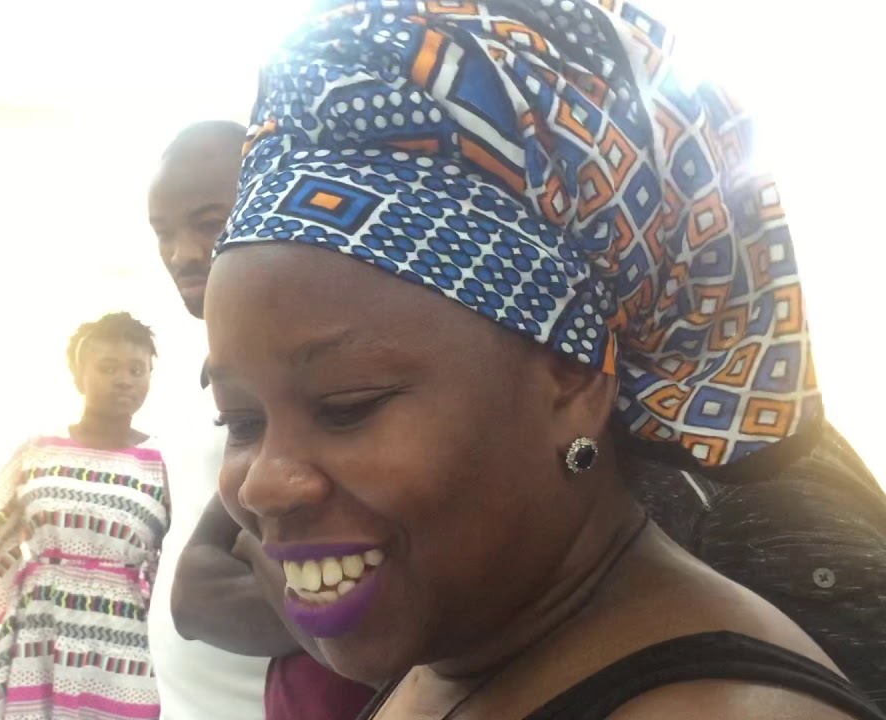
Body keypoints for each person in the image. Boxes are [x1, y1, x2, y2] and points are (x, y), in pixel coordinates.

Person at [203, 1, 886, 717]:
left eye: (348, 406)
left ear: (574, 372)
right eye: (241, 422)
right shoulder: (459, 657)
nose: (264, 487)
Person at [148, 120, 376, 720]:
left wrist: (261, 562)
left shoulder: (308, 382)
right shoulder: (198, 380)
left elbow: (196, 597)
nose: (182, 254)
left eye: (208, 222)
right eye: (163, 232)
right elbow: (194, 583)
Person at [0, 312, 170, 720]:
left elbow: (172, 554)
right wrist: (27, 601)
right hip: (41, 629)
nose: (124, 380)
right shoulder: (38, 452)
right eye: (108, 367)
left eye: (137, 370)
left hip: (124, 639)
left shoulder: (161, 463)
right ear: (78, 375)